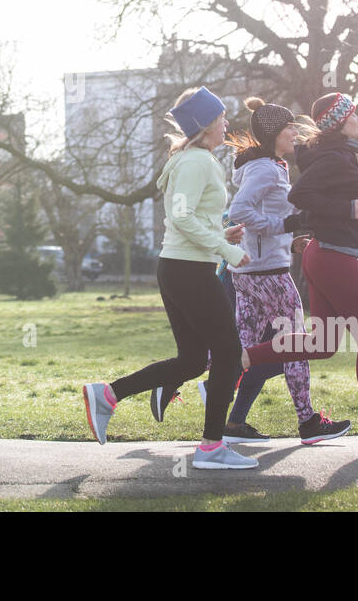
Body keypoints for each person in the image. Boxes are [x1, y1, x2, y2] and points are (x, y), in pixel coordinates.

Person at [82, 86, 258, 469]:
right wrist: (226, 250)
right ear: (206, 124)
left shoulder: (192, 160)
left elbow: (188, 218)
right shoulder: (197, 161)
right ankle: (212, 447)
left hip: (180, 267)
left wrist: (219, 236)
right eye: (221, 116)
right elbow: (181, 217)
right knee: (228, 352)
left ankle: (108, 395)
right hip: (188, 271)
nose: (227, 121)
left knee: (194, 359)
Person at [240, 92, 358, 450]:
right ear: (340, 121)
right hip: (334, 258)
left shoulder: (338, 155)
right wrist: (347, 206)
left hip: (323, 253)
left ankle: (245, 357)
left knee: (323, 344)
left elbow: (345, 208)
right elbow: (301, 196)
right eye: (354, 114)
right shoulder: (335, 157)